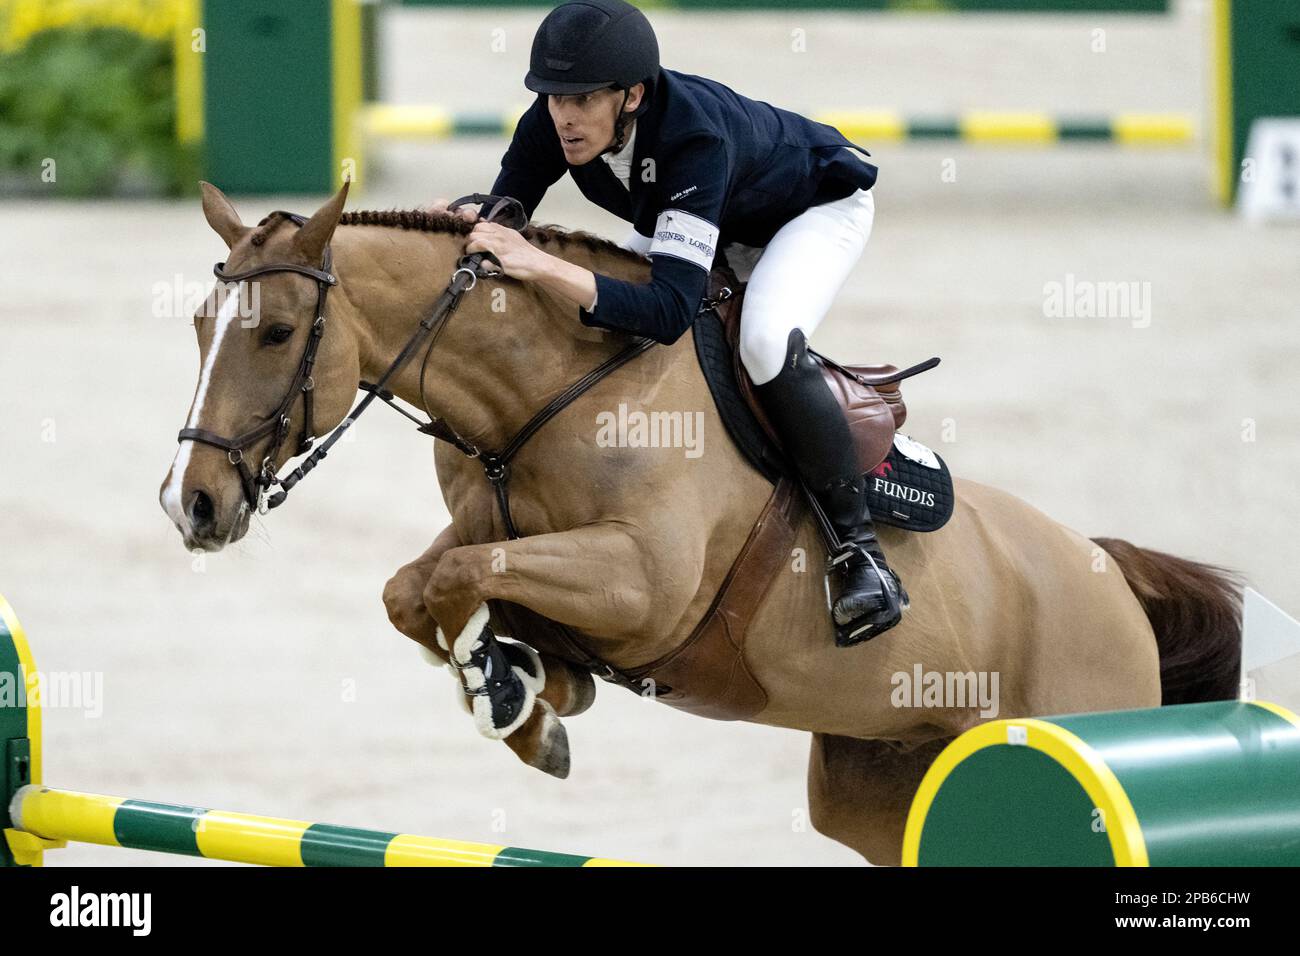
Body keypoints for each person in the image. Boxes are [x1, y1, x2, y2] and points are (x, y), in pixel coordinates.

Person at [434, 0, 906, 643]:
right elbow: (507, 213)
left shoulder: (693, 138)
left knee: (765, 341)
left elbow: (667, 311)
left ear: (631, 96)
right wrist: (460, 218)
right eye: (551, 97)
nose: (564, 115)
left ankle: (860, 554)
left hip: (810, 213)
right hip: (709, 222)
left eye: (581, 99)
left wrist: (539, 265)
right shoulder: (552, 124)